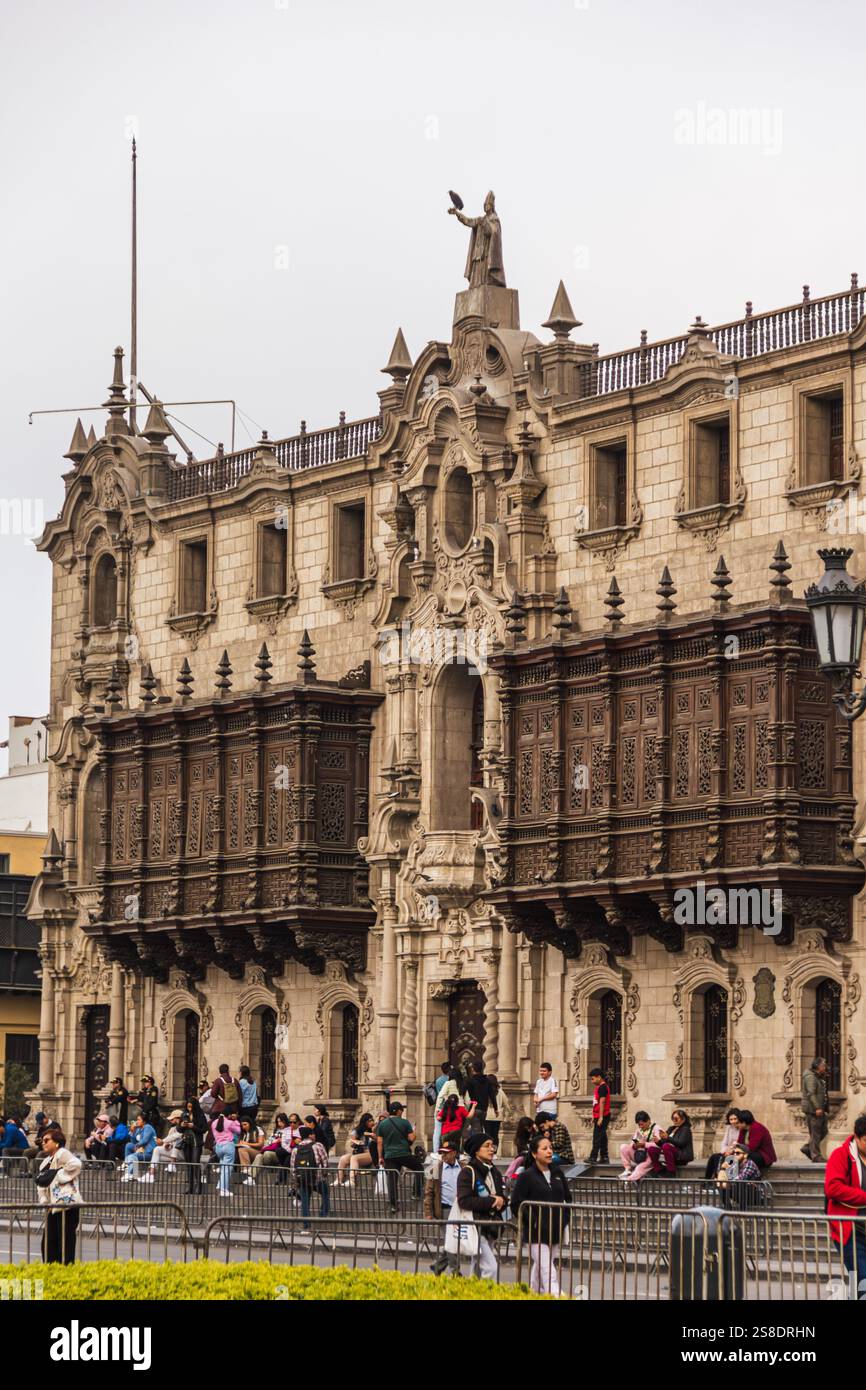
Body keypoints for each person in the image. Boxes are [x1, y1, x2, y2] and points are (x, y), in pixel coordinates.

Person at [511, 1133, 572, 1296]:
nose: (549, 1151)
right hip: (535, 1234)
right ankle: (557, 1296)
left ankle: (534, 1293)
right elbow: (516, 1204)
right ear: (534, 1153)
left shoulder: (558, 1173)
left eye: (550, 1148)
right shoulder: (526, 1176)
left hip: (555, 1231)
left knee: (541, 1267)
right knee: (548, 1270)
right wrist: (533, 1220)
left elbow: (568, 1199)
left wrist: (564, 1219)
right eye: (544, 1148)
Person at [454, 1132, 506, 1281]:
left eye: (493, 1146)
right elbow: (463, 1201)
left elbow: (500, 1195)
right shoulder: (467, 1172)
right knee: (490, 1267)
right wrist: (492, 1201)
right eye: (487, 1146)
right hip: (475, 1226)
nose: (492, 1149)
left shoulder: (494, 1171)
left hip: (491, 1227)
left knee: (477, 1267)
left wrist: (502, 1201)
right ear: (476, 1150)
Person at [825, 1112, 866, 1294]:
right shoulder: (840, 1155)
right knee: (862, 1282)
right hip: (851, 1233)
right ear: (856, 1137)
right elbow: (832, 1187)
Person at [36, 1128, 83, 1265]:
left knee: (65, 1242)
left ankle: (66, 1271)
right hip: (53, 1207)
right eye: (42, 1141)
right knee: (49, 1243)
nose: (43, 1143)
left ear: (56, 1142)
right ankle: (52, 1270)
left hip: (67, 1205)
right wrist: (44, 1199)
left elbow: (76, 1164)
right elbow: (42, 1184)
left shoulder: (62, 1153)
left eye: (46, 1140)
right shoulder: (45, 1162)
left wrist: (58, 1175)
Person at [376, 1101, 423, 1211]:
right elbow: (411, 1138)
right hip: (404, 1154)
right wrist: (414, 1131)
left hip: (389, 1155)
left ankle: (393, 1205)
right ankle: (416, 1193)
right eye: (401, 1110)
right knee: (419, 1168)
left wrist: (380, 1157)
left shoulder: (382, 1124)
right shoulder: (405, 1122)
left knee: (392, 1179)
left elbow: (379, 1142)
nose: (402, 1112)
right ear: (398, 1111)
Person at [291, 1124, 330, 1229]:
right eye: (313, 1133)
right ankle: (323, 1214)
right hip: (317, 1178)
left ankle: (306, 1225)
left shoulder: (295, 1149)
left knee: (305, 1201)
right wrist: (324, 1174)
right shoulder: (318, 1145)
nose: (315, 1135)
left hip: (302, 1179)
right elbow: (325, 1161)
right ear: (310, 1135)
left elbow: (293, 1168)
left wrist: (296, 1182)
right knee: (325, 1192)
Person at [645, 1109, 694, 1176]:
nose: (674, 1121)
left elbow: (681, 1143)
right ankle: (659, 1170)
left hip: (681, 1156)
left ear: (683, 1119)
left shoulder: (686, 1129)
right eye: (673, 1118)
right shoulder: (671, 1128)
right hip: (668, 1153)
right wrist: (658, 1141)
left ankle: (671, 1171)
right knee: (651, 1149)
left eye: (676, 1119)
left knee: (666, 1146)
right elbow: (663, 1142)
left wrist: (667, 1138)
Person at [619, 1111, 664, 1181]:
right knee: (623, 1147)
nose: (640, 1126)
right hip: (639, 1155)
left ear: (648, 1121)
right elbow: (632, 1143)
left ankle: (628, 1181)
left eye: (642, 1124)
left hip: (650, 1157)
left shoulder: (656, 1128)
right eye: (639, 1125)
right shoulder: (638, 1130)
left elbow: (659, 1145)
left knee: (638, 1169)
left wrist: (644, 1144)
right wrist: (635, 1145)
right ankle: (627, 1169)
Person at [334, 1113, 376, 1186]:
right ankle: (338, 1179)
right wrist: (354, 1142)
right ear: (364, 1121)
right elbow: (352, 1143)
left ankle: (352, 1181)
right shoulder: (358, 1130)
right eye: (369, 1121)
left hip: (370, 1153)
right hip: (359, 1152)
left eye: (372, 1120)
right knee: (343, 1158)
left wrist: (372, 1135)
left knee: (354, 1158)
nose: (371, 1122)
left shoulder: (374, 1130)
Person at [143, 1110, 185, 1180]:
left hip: (181, 1153)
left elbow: (175, 1137)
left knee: (178, 1139)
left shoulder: (184, 1127)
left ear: (178, 1118)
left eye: (172, 1119)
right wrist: (166, 1145)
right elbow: (168, 1140)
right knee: (156, 1150)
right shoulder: (172, 1129)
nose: (170, 1121)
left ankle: (172, 1164)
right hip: (172, 1153)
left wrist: (163, 1141)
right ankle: (151, 1174)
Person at [801, 1057, 829, 1164]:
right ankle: (816, 1156)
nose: (825, 1067)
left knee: (823, 1130)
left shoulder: (817, 1076)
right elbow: (811, 1093)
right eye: (824, 1065)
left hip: (819, 1109)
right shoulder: (810, 1077)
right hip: (813, 1110)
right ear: (818, 1066)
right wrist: (817, 1107)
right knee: (816, 1133)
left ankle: (808, 1148)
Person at [178, 1097, 208, 1192]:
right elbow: (178, 1129)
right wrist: (182, 1125)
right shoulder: (184, 1114)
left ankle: (198, 1186)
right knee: (189, 1164)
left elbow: (204, 1129)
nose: (189, 1108)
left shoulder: (200, 1114)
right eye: (188, 1107)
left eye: (191, 1107)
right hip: (187, 1141)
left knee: (195, 1163)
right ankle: (190, 1186)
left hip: (196, 1142)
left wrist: (193, 1126)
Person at [704, 1109, 743, 1180]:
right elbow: (724, 1142)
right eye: (731, 1119)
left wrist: (731, 1150)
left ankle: (722, 1180)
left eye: (735, 1119)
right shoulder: (729, 1128)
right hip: (727, 1151)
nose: (733, 1121)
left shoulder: (741, 1128)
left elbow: (740, 1143)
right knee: (714, 1157)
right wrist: (724, 1151)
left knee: (729, 1159)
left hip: (736, 1151)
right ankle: (708, 1179)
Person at [210, 1110, 241, 1197]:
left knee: (223, 1166)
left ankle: (220, 1185)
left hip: (218, 1147)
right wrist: (236, 1121)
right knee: (227, 1169)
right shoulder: (230, 1122)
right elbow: (239, 1131)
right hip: (228, 1146)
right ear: (229, 1115)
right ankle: (224, 1190)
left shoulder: (214, 1122)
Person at [120, 1113, 157, 1181]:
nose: (137, 1121)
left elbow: (145, 1140)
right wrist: (132, 1131)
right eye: (137, 1120)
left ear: (144, 1121)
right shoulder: (139, 1129)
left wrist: (137, 1146)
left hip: (149, 1153)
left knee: (132, 1156)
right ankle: (127, 1165)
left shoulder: (148, 1127)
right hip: (141, 1150)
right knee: (128, 1145)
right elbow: (133, 1141)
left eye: (139, 1120)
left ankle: (131, 1174)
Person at [588, 1067, 610, 1164]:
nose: (592, 1081)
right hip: (599, 1115)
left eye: (593, 1078)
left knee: (597, 1136)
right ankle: (604, 1156)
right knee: (602, 1136)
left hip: (603, 1115)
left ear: (599, 1077)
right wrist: (595, 1116)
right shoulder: (599, 1087)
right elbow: (596, 1103)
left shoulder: (603, 1087)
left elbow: (602, 1102)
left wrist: (600, 1117)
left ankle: (593, 1157)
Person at [430, 1062, 452, 1153]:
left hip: (439, 1107)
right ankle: (448, 1149)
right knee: (449, 1130)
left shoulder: (438, 1080)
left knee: (437, 1130)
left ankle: (435, 1150)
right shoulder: (450, 1080)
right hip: (449, 1108)